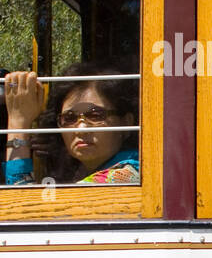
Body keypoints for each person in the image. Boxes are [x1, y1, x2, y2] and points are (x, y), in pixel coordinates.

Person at [4, 69, 139, 185]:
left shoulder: (125, 174)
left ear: (126, 122)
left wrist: (18, 123)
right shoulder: (82, 170)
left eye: (95, 115)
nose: (81, 129)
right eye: (69, 118)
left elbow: (29, 210)